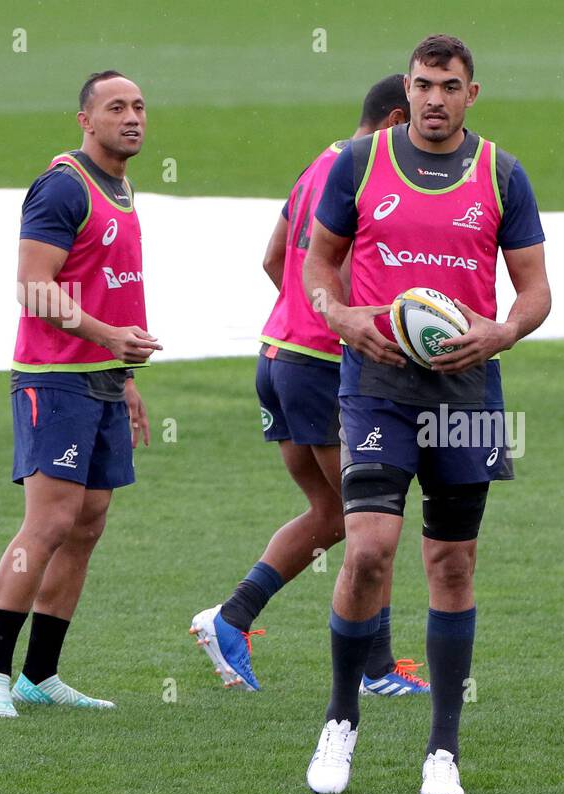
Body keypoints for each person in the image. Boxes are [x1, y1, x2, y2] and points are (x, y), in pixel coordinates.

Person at [300, 34, 551, 794]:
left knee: (451, 564)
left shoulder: (502, 174)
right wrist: (340, 316)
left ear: (472, 93)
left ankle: (442, 747)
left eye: (449, 85)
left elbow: (537, 290)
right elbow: (316, 264)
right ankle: (341, 719)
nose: (434, 98)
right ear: (404, 91)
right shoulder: (358, 164)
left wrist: (503, 329)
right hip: (376, 388)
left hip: (470, 395)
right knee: (369, 548)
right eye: (422, 85)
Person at [188, 75, 425, 696]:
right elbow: (347, 267)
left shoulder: (316, 164)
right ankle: (377, 669)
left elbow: (274, 258)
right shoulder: (364, 171)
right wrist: (350, 331)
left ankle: (231, 618)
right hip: (322, 367)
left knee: (331, 514)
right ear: (397, 117)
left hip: (278, 356)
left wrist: (302, 314)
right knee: (377, 511)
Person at [0, 71, 161, 717]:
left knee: (87, 525)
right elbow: (33, 286)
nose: (131, 117)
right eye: (115, 107)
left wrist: (125, 377)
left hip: (101, 381)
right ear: (85, 119)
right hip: (54, 378)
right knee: (48, 521)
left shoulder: (122, 186)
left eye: (137, 106)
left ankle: (38, 675)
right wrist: (109, 337)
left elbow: (111, 283)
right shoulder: (62, 186)